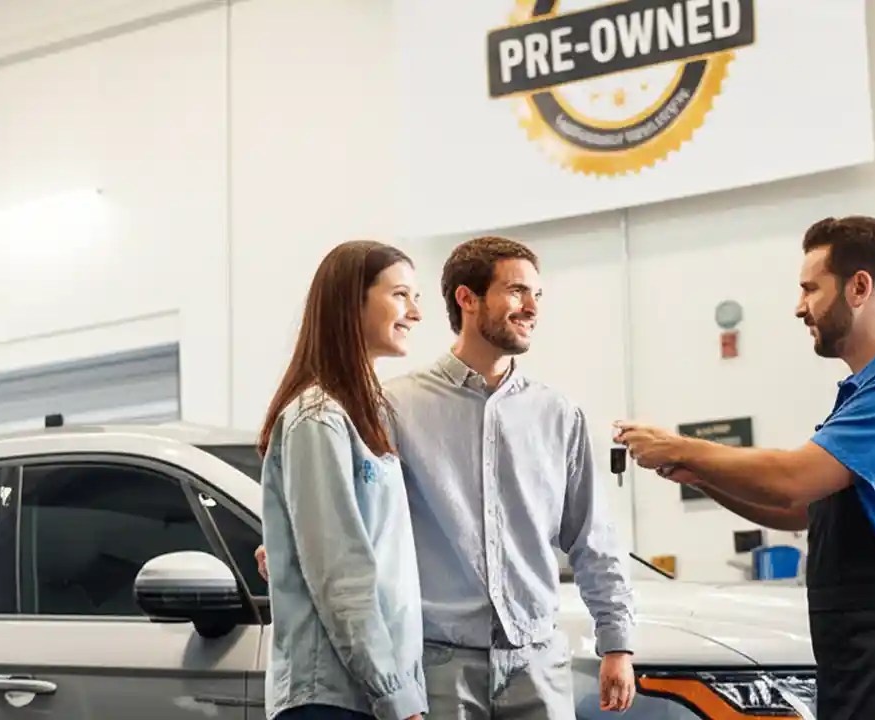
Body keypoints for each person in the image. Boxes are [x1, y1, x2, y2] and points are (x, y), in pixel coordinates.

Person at [614, 215, 875, 720]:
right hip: (866, 651)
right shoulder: (867, 393)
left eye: (810, 288)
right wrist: (702, 476)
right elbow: (799, 507)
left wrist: (681, 446)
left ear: (859, 287)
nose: (799, 307)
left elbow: (793, 477)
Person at [259, 235, 637, 719]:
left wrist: (617, 641)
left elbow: (593, 537)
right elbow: (344, 547)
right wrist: (293, 544)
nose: (531, 307)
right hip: (436, 664)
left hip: (538, 663)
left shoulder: (559, 415)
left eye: (537, 295)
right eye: (517, 291)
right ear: (467, 298)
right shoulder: (382, 407)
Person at [256, 240, 429, 720]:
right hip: (334, 697)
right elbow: (341, 576)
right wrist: (394, 694)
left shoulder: (365, 414)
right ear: (352, 301)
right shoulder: (318, 418)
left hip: (367, 693)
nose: (415, 313)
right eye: (401, 295)